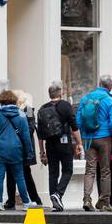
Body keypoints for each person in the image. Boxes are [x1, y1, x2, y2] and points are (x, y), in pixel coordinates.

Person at [35, 80, 81, 212]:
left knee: (53, 172)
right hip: (64, 142)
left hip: (50, 144)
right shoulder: (66, 106)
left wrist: (42, 152)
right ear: (60, 93)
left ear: (49, 94)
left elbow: (40, 134)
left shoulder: (43, 108)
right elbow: (74, 126)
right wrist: (79, 143)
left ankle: (54, 201)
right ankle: (58, 194)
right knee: (68, 169)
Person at [77, 74, 112, 212]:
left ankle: (87, 199)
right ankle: (104, 202)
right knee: (105, 170)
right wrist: (111, 133)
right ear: (109, 86)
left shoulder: (85, 99)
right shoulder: (109, 101)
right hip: (104, 138)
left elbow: (78, 121)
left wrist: (85, 134)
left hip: (88, 139)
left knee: (90, 170)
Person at [0, 89, 34, 209]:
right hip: (16, 150)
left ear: (1, 101)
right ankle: (26, 202)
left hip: (0, 149)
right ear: (14, 100)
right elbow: (26, 137)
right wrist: (29, 153)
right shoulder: (21, 114)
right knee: (19, 176)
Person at [13, 90, 42, 207]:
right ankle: (32, 198)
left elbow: (31, 128)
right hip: (20, 146)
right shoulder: (18, 110)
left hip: (25, 147)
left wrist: (17, 133)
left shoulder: (28, 109)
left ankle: (35, 198)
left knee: (26, 173)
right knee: (23, 173)